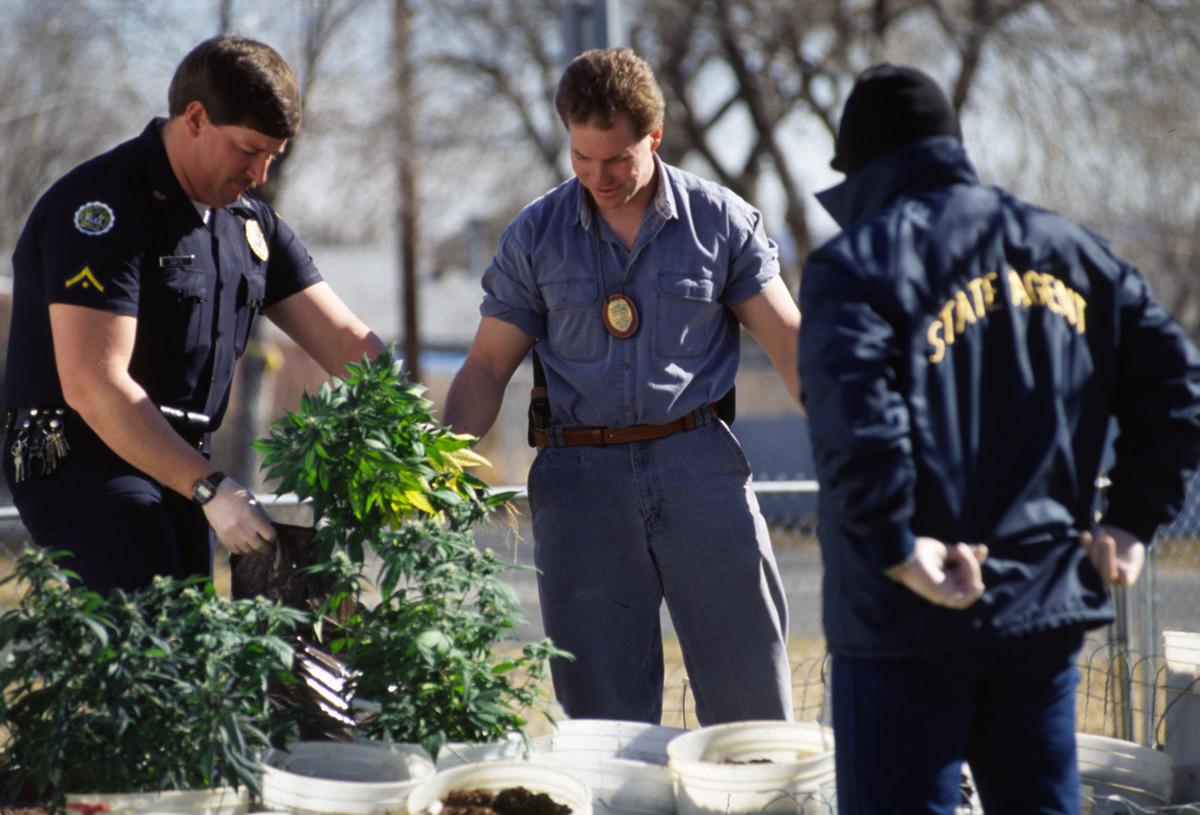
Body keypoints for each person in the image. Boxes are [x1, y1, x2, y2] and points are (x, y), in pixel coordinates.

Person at [798, 62, 1200, 814]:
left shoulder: (857, 264)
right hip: (1041, 607)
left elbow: (856, 421)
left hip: (902, 621)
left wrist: (898, 546)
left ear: (861, 168)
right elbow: (1178, 385)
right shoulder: (1073, 251)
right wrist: (1135, 520)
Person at [443, 47, 800, 725]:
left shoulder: (721, 221)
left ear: (653, 138)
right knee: (605, 726)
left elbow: (788, 342)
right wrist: (436, 461)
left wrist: (855, 439)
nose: (596, 176)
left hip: (699, 468)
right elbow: (487, 367)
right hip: (580, 486)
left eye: (615, 159)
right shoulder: (534, 235)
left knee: (753, 706)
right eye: (580, 157)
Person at [4, 35, 385, 594]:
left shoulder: (248, 223)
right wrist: (209, 488)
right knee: (154, 639)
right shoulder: (102, 206)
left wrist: (417, 435)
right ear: (196, 118)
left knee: (196, 652)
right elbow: (94, 383)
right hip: (89, 458)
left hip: (181, 466)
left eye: (272, 157)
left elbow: (345, 338)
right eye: (249, 150)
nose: (260, 174)